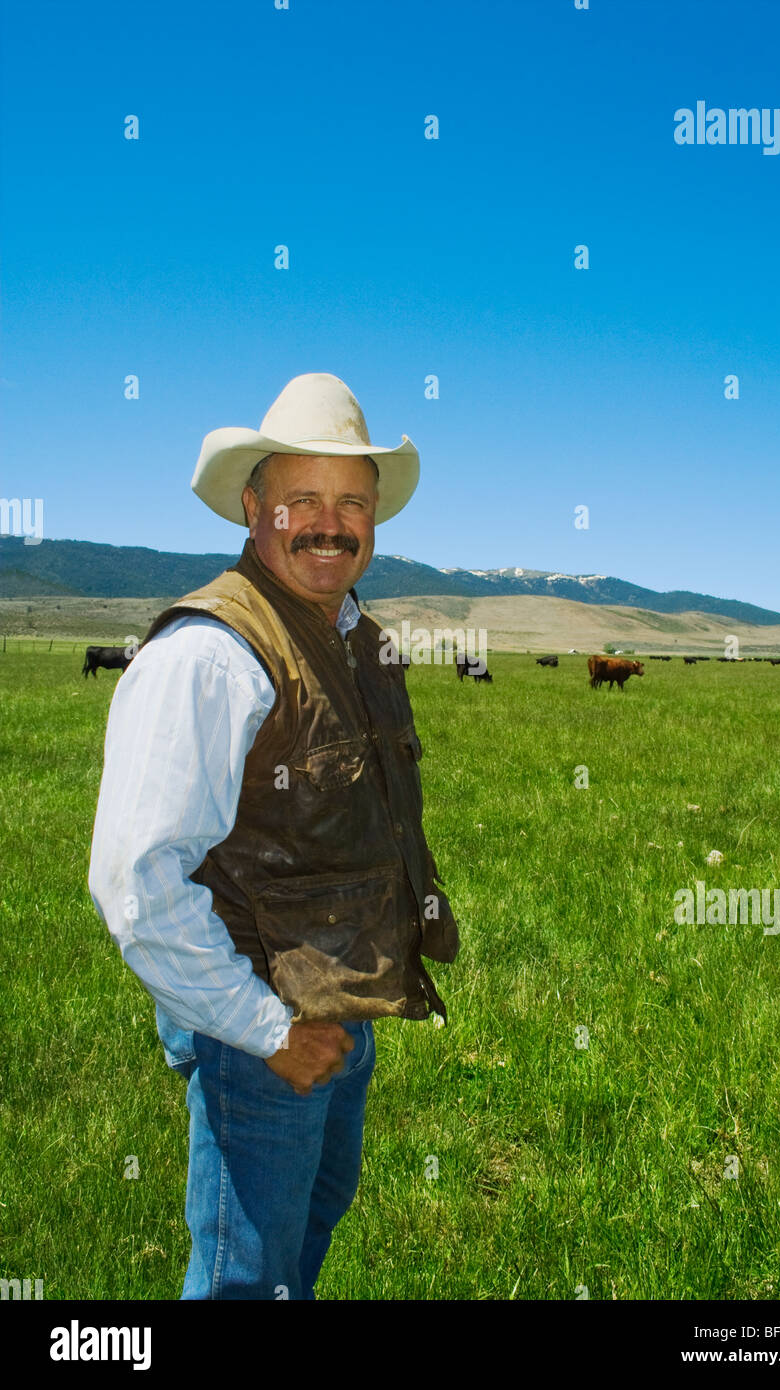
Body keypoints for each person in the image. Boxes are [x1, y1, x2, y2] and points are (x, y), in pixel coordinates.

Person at [88, 371, 460, 1300]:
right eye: (302, 500)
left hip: (338, 1007)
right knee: (244, 1280)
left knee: (302, 1244)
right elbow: (137, 885)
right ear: (253, 508)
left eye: (351, 502)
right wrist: (268, 1032)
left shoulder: (354, 636)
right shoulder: (211, 654)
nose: (329, 524)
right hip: (255, 1029)